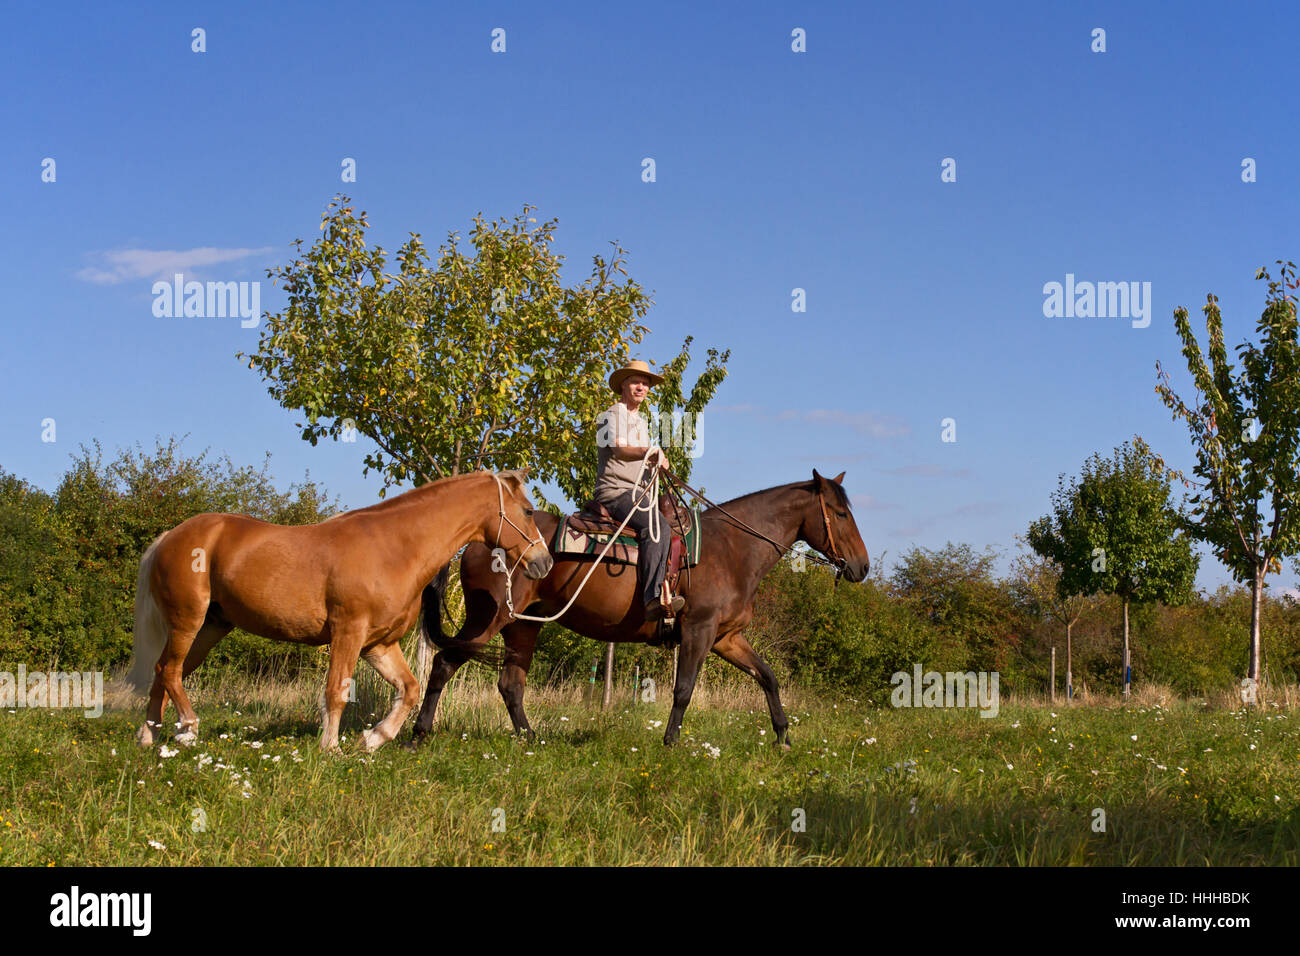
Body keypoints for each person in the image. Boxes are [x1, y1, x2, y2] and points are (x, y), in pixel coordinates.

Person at [594, 359, 685, 620]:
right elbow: (620, 450)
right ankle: (652, 598)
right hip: (616, 492)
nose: (641, 387)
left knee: (678, 521)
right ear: (623, 385)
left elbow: (644, 458)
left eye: (645, 384)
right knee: (658, 528)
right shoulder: (610, 416)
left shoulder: (641, 421)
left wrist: (659, 464)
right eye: (636, 382)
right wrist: (649, 451)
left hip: (639, 495)